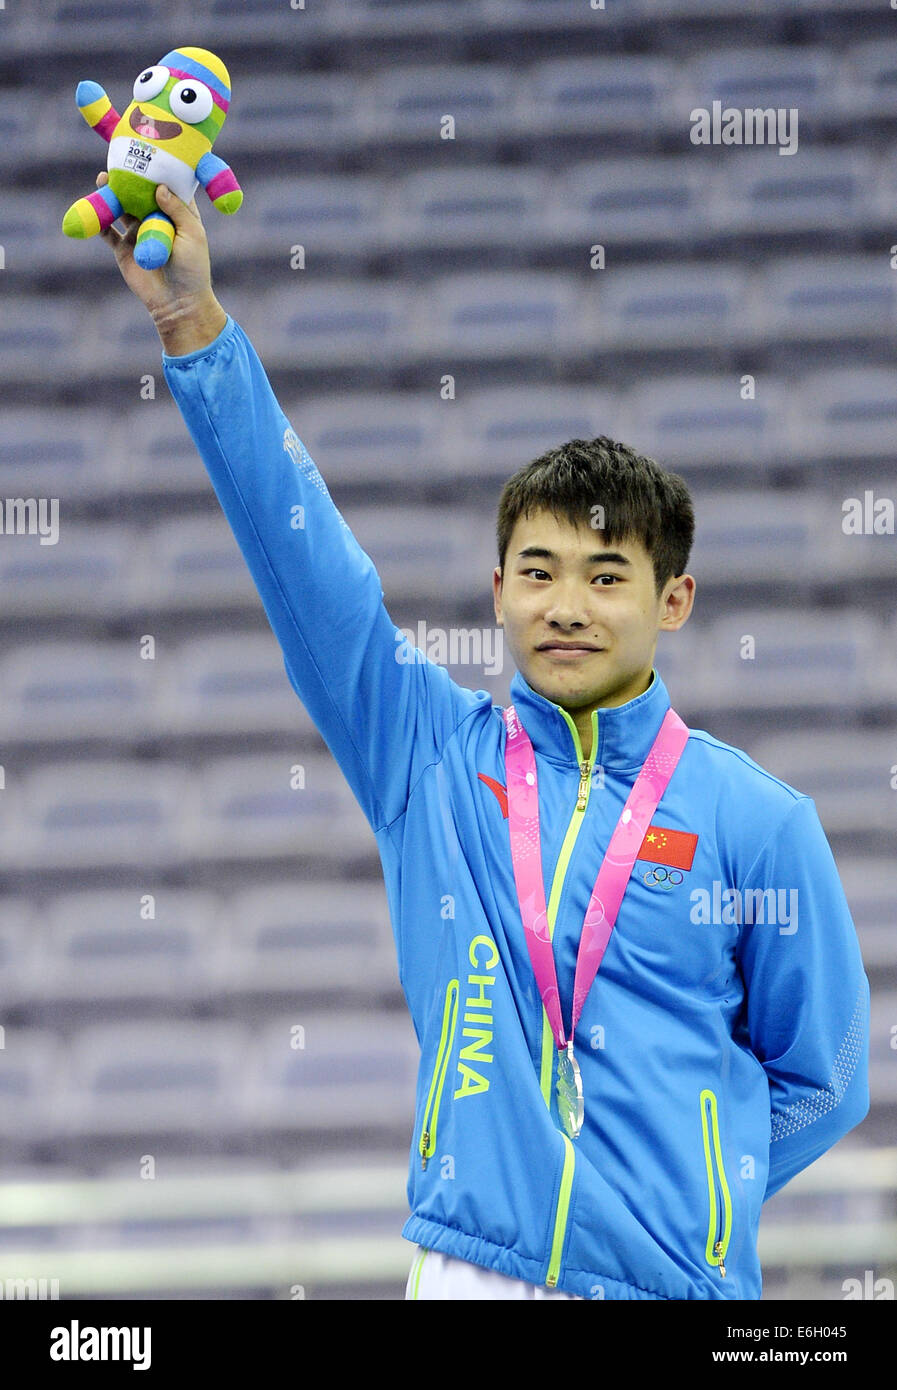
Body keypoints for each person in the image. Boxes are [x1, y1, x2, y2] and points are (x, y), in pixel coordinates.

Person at [96, 173, 870, 1301]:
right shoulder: (430, 758)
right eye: (540, 572)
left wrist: (692, 1194)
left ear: (674, 600)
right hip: (472, 1272)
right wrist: (191, 327)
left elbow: (830, 1077)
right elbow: (307, 565)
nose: (568, 605)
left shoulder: (757, 820)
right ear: (496, 588)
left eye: (608, 576)